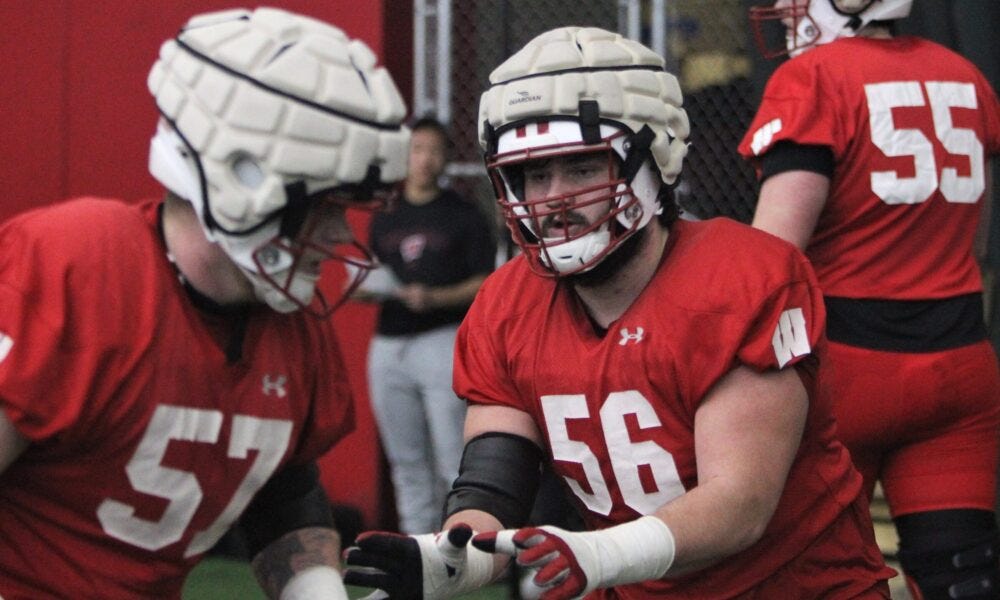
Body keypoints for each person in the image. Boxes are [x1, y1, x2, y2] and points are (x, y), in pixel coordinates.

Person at [343, 25, 896, 599]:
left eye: (583, 168)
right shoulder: (507, 304)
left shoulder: (740, 277)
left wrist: (596, 551)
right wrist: (454, 559)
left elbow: (740, 504)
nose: (554, 198)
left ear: (654, 160)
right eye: (534, 174)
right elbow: (493, 484)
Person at [0, 7, 409, 599]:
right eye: (324, 206)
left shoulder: (289, 324)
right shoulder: (79, 265)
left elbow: (284, 491)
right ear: (244, 182)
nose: (341, 236)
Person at [739, 1, 1000, 598]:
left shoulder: (813, 76)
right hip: (960, 361)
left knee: (812, 577)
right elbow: (977, 240)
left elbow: (771, 258)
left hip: (847, 367)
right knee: (962, 578)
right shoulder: (964, 75)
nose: (783, 6)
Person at [354, 116, 495, 535]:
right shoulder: (385, 215)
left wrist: (433, 298)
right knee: (406, 458)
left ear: (446, 157)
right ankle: (416, 548)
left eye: (433, 150)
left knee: (452, 455)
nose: (424, 159)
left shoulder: (463, 214)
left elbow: (486, 281)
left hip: (441, 340)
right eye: (416, 150)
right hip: (389, 343)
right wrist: (368, 289)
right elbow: (364, 273)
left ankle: (463, 545)